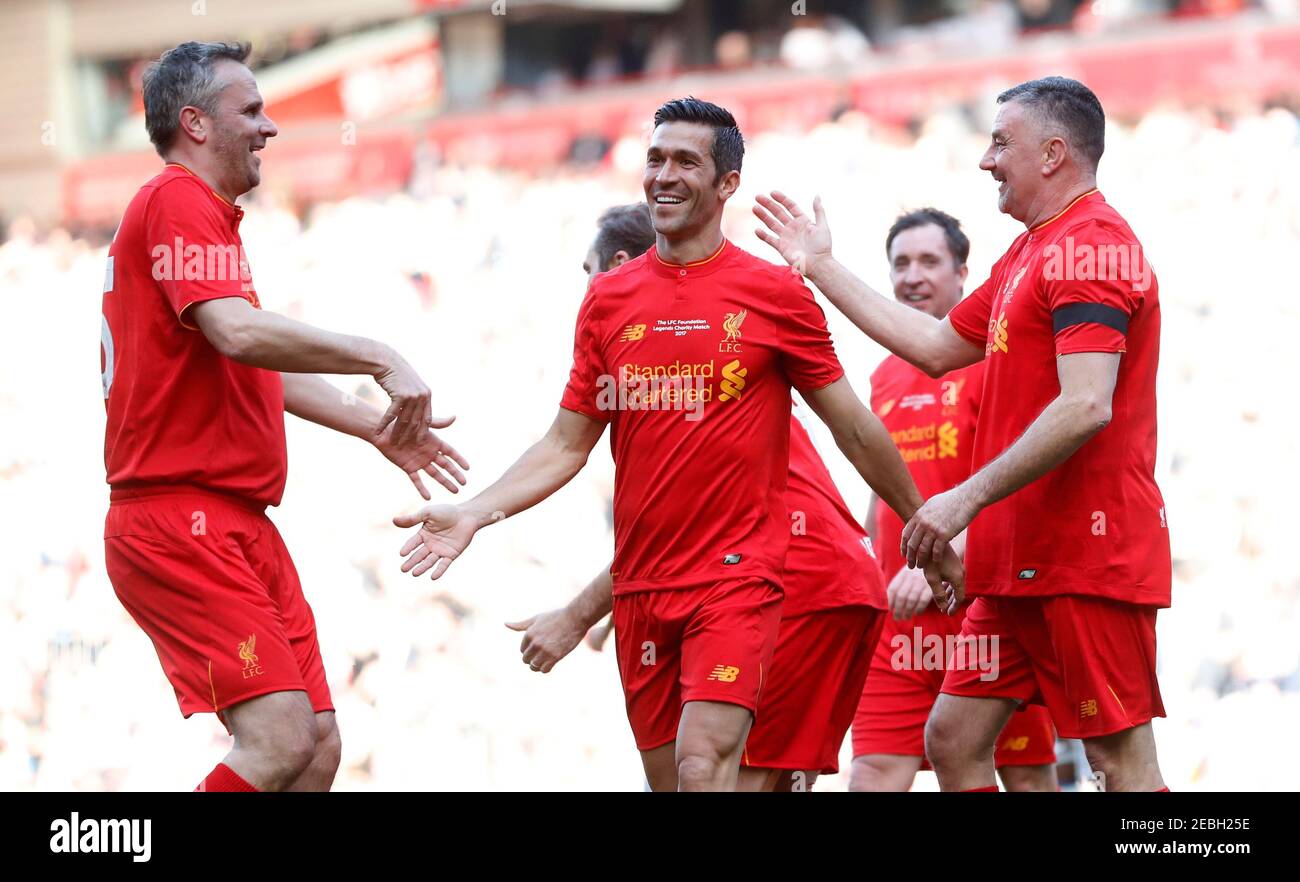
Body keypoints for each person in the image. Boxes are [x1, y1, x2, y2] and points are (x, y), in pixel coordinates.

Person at [395, 97, 963, 792]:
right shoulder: (607, 301)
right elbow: (566, 444)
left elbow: (851, 425)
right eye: (656, 158)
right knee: (675, 781)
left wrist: (922, 526)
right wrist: (476, 512)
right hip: (643, 587)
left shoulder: (775, 295)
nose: (664, 175)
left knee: (705, 765)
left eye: (685, 161)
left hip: (738, 579)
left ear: (727, 183)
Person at [754, 76, 1169, 792]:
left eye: (1000, 142)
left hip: (1085, 554)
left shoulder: (1092, 245)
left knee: (1119, 761)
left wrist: (961, 500)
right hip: (1016, 567)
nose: (985, 160)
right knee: (953, 737)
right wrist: (820, 266)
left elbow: (1088, 405)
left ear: (1053, 153)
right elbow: (935, 345)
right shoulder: (1025, 256)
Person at [100, 42, 468, 792]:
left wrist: (375, 426)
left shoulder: (204, 220)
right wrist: (376, 353)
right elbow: (240, 334)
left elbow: (247, 359)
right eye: (254, 111)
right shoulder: (176, 199)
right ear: (195, 123)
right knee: (277, 740)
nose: (269, 128)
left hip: (230, 519)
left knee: (318, 746)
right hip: (181, 518)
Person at [507, 202, 891, 792]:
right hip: (816, 581)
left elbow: (688, 529)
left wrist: (578, 614)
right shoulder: (697, 367)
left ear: (616, 265)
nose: (586, 289)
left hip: (794, 581)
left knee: (709, 772)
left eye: (588, 270)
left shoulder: (688, 356)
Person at [848, 208, 1057, 792]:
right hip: (901, 615)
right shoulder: (886, 374)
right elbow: (882, 486)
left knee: (1025, 776)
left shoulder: (996, 359)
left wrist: (947, 549)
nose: (912, 276)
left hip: (981, 608)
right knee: (870, 772)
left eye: (929, 262)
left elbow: (1025, 474)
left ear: (963, 273)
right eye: (900, 263)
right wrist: (873, 568)